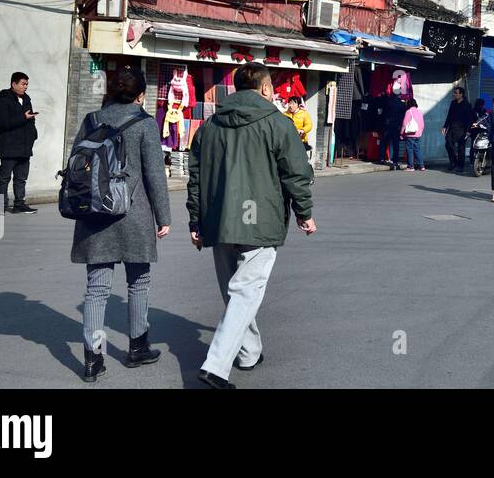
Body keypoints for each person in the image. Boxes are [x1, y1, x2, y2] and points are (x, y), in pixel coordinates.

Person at [188, 62, 316, 389]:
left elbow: (196, 178)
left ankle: (248, 353)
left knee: (238, 292)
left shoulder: (209, 126)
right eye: (272, 86)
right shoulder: (278, 124)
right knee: (245, 292)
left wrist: (196, 220)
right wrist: (304, 212)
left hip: (219, 220)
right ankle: (216, 366)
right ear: (264, 89)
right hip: (258, 220)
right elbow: (296, 173)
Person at [70, 68, 171, 383]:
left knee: (97, 289)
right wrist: (163, 217)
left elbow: (77, 164)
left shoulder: (91, 120)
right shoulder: (143, 123)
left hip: (94, 212)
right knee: (138, 283)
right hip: (133, 214)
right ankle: (137, 348)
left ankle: (92, 359)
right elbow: (155, 174)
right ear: (141, 94)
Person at [0, 71, 39, 215]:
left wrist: (33, 135)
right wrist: (23, 117)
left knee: (21, 178)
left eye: (27, 84)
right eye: (23, 84)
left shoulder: (26, 100)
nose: (25, 87)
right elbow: (3, 123)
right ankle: (0, 207)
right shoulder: (2, 101)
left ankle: (19, 204)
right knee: (4, 178)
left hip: (25, 147)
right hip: (9, 147)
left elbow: (30, 119)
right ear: (14, 84)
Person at [442, 87, 475, 172]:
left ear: (461, 94)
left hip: (462, 128)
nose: (454, 94)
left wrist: (468, 131)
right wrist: (445, 126)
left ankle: (460, 166)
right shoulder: (453, 103)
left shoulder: (467, 105)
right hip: (452, 127)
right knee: (448, 144)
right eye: (454, 93)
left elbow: (470, 119)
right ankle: (453, 162)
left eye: (456, 93)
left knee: (461, 147)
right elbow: (449, 115)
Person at [382, 93, 408, 169]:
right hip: (397, 126)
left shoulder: (388, 102)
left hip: (388, 125)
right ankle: (395, 161)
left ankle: (382, 158)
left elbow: (384, 113)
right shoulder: (402, 104)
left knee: (384, 142)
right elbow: (404, 116)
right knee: (395, 144)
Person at [400, 97, 426, 171]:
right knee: (418, 150)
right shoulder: (420, 112)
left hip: (410, 134)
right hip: (418, 134)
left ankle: (411, 166)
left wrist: (401, 133)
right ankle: (422, 166)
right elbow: (422, 124)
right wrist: (420, 132)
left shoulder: (408, 112)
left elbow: (404, 124)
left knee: (410, 150)